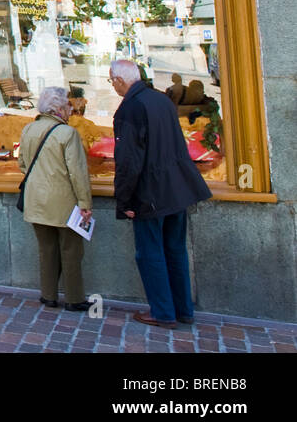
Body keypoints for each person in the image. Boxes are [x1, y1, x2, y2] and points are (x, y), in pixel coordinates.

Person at [110, 59, 212, 328]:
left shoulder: (130, 108)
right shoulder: (161, 100)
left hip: (150, 192)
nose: (113, 86)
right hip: (177, 188)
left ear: (120, 80)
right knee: (175, 250)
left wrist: (125, 200)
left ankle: (163, 312)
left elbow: (128, 161)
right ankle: (182, 309)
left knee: (150, 252)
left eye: (112, 81)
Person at [18, 87, 93, 311]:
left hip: (35, 200)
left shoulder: (28, 129)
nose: (71, 109)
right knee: (71, 251)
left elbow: (22, 164)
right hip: (63, 202)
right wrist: (85, 204)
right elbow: (78, 173)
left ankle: (48, 295)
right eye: (68, 106)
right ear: (59, 109)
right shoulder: (67, 133)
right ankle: (74, 298)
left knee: (46, 249)